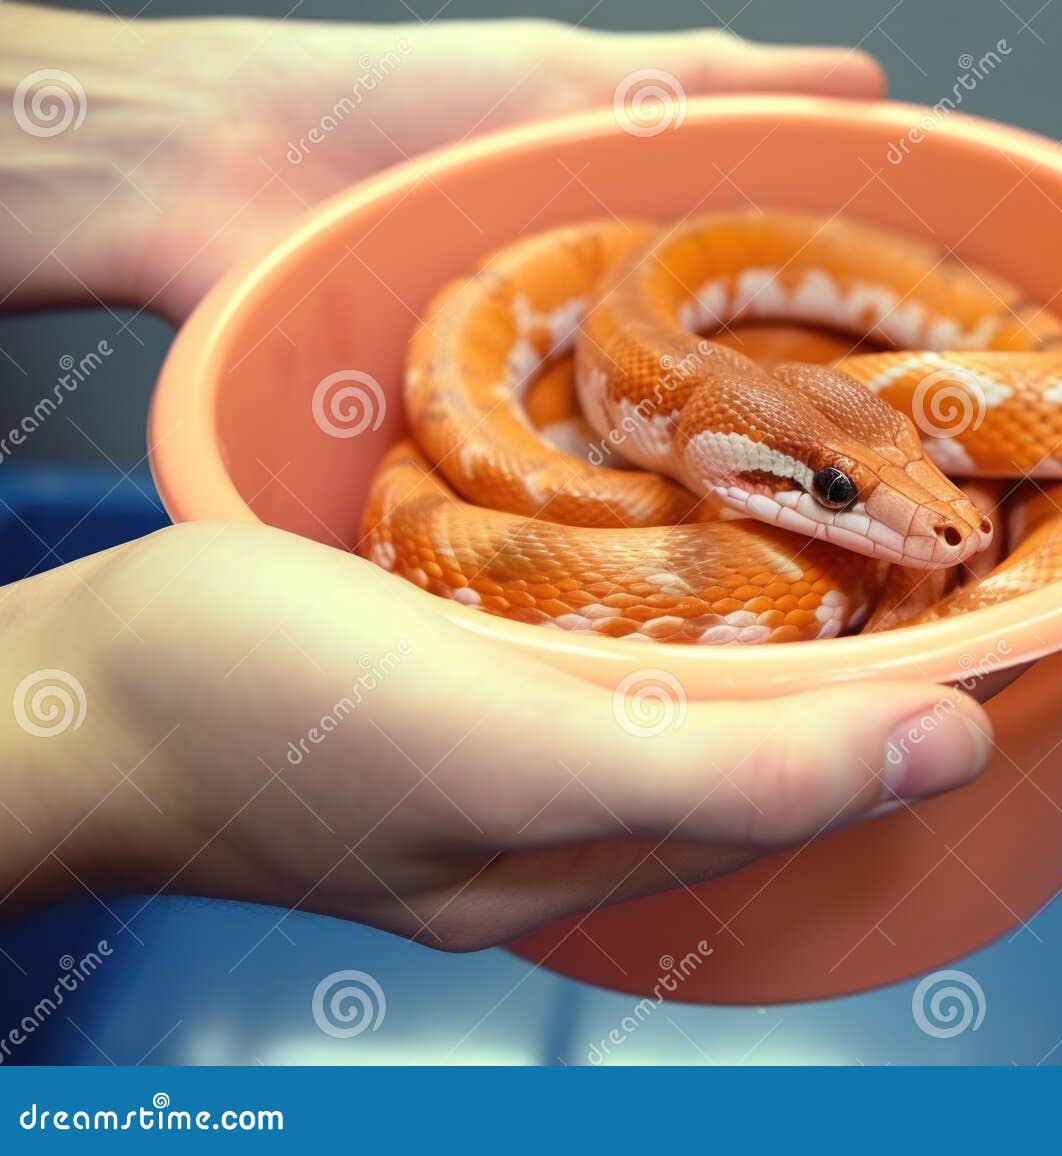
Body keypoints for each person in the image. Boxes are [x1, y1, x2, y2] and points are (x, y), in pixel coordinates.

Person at [0, 4, 993, 950]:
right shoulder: (641, 402)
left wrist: (190, 128)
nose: (944, 526)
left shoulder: (687, 382)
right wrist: (111, 723)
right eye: (831, 493)